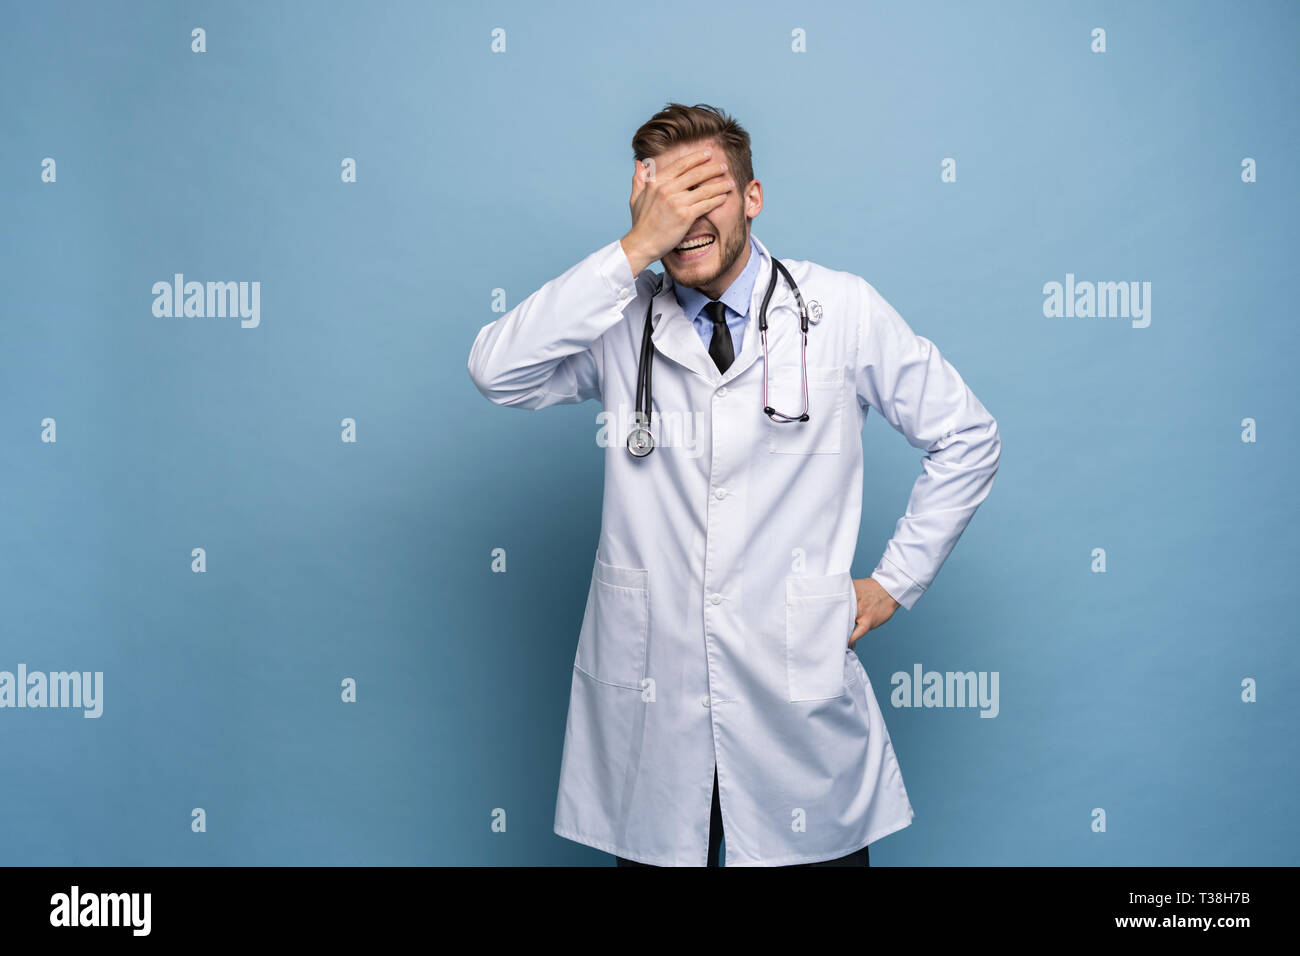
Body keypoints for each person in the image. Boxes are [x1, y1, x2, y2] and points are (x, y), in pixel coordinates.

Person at [467, 103, 1001, 867]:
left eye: (706, 192)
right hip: (653, 702)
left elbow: (967, 436)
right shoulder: (618, 321)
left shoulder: (840, 310)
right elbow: (495, 371)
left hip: (793, 702)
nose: (686, 219)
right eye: (667, 199)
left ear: (753, 197)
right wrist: (633, 250)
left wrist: (895, 582)